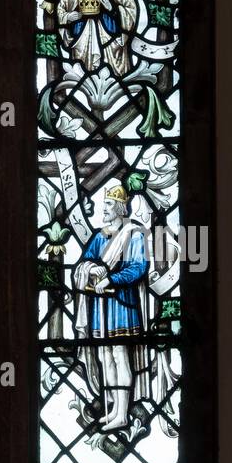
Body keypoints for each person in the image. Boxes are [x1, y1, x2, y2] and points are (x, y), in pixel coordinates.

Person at [73, 184, 152, 431]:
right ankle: (113, 409)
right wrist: (90, 269)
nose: (103, 209)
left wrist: (110, 278)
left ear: (119, 206)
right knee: (103, 355)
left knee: (119, 355)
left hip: (122, 305)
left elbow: (138, 267)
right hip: (99, 306)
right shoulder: (100, 236)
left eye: (107, 204)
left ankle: (123, 412)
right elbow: (82, 264)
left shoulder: (134, 234)